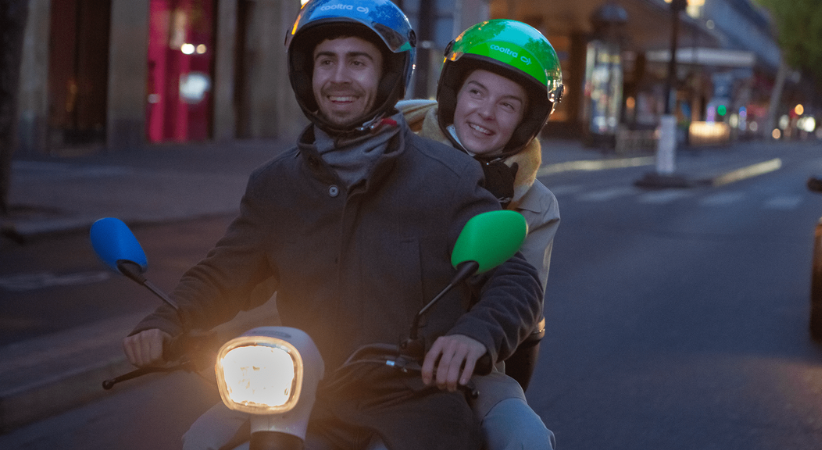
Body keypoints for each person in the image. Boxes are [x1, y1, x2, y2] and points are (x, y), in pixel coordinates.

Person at [121, 1, 542, 449]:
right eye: (326, 61)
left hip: (416, 402)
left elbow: (516, 279)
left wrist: (472, 335)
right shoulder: (275, 185)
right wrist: (168, 320)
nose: (339, 76)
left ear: (387, 75)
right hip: (303, 398)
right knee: (200, 442)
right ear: (308, 74)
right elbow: (224, 272)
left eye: (357, 62)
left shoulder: (448, 178)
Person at [397, 19, 563, 450]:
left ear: (527, 120)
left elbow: (521, 302)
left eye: (508, 105)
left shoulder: (535, 203)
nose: (486, 113)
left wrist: (475, 334)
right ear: (453, 93)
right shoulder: (389, 148)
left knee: (525, 440)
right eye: (476, 92)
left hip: (466, 362)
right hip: (360, 345)